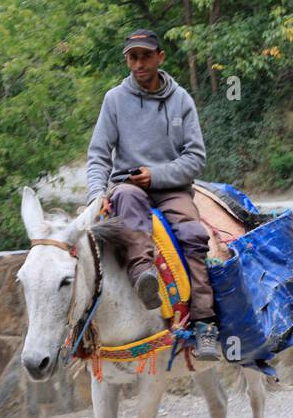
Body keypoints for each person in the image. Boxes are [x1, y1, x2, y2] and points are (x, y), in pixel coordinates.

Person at [85, 28, 220, 361]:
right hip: (128, 186)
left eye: (146, 55)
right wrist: (96, 193)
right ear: (127, 61)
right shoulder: (114, 100)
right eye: (133, 57)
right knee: (127, 201)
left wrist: (157, 175)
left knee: (192, 234)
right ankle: (142, 276)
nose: (139, 63)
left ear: (160, 57)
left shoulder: (181, 100)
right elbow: (99, 154)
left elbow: (195, 158)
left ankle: (204, 324)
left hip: (173, 189)